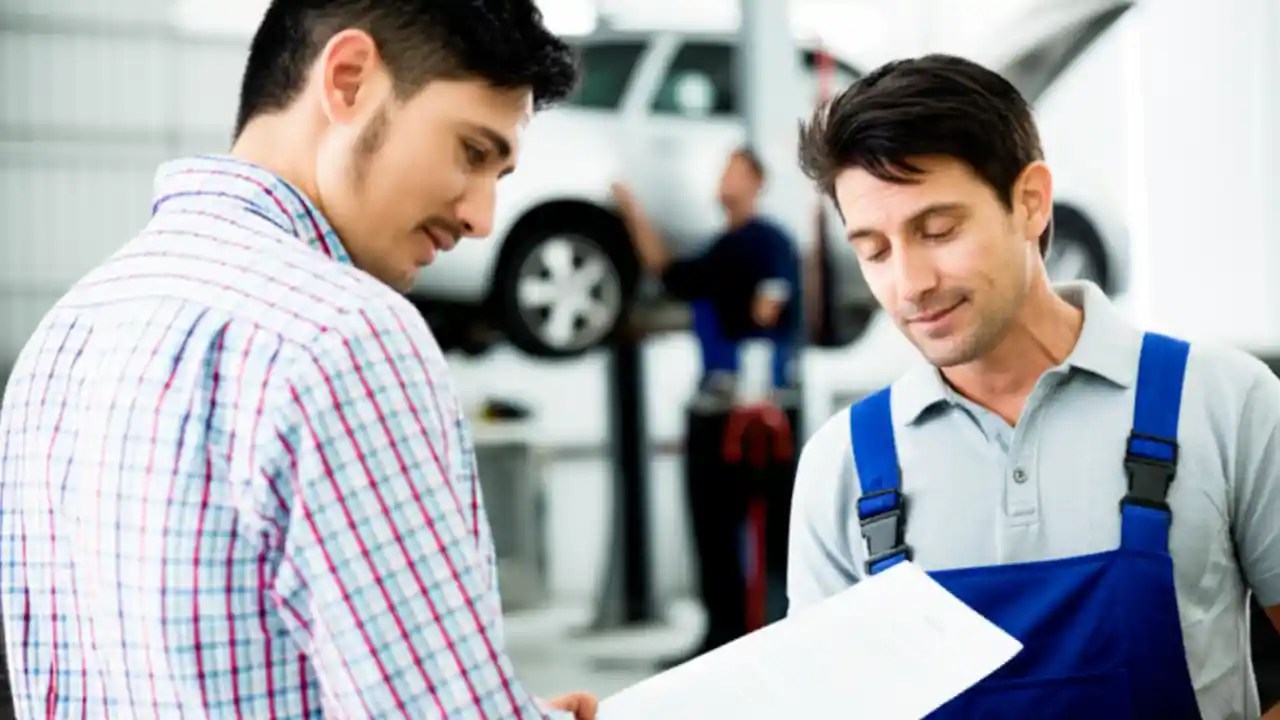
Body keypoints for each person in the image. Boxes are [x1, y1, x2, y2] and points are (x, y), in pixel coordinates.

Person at [0, 2, 599, 718]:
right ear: (348, 80)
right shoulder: (342, 335)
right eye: (472, 152)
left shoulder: (66, 335)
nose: (481, 218)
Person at [788, 54, 1280, 719]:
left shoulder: (1227, 405)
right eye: (874, 250)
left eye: (938, 231)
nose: (909, 284)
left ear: (1031, 202)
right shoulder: (842, 465)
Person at [611, 147, 803, 403]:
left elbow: (768, 310)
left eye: (735, 172)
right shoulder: (720, 250)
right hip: (721, 387)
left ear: (758, 182)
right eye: (724, 172)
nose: (725, 179)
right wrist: (632, 210)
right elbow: (669, 273)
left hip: (762, 393)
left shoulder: (772, 242)